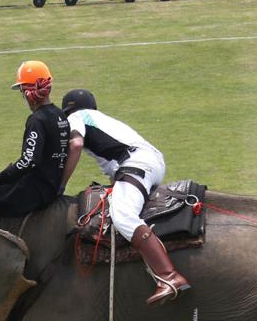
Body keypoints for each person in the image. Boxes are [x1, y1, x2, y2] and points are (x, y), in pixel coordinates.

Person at [58, 88, 190, 305]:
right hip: (150, 162)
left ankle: (169, 276)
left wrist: (61, 183)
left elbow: (76, 144)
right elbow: (112, 163)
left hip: (137, 164)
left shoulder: (76, 117)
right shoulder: (100, 120)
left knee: (123, 215)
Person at [0, 60, 70, 229]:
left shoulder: (37, 120)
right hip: (51, 187)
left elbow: (28, 161)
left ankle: (0, 240)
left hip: (34, 191)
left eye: (22, 91)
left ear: (29, 93)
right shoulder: (60, 116)